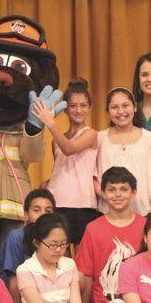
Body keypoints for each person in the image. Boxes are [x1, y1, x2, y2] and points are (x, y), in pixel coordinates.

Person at [32, 78, 99, 244]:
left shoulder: (90, 134)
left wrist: (50, 123)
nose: (78, 110)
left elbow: (69, 149)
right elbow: (63, 169)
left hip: (81, 204)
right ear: (66, 109)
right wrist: (47, 183)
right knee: (54, 249)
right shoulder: (57, 140)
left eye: (83, 105)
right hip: (56, 201)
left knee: (78, 254)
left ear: (89, 108)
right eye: (73, 105)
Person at [76, 167, 146, 303]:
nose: (118, 194)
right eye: (112, 190)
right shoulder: (93, 229)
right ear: (103, 193)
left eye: (124, 189)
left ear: (133, 193)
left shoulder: (146, 226)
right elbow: (86, 277)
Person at [94, 87, 151, 217]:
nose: (121, 111)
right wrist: (110, 198)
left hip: (144, 215)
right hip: (107, 214)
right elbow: (93, 178)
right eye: (114, 107)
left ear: (134, 107)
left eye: (125, 105)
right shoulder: (98, 139)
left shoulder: (150, 140)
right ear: (108, 111)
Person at [0, 188, 55, 303]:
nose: (42, 215)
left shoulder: (56, 234)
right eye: (37, 210)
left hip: (43, 286)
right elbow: (12, 281)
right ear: (26, 214)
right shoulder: (16, 237)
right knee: (16, 284)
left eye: (48, 211)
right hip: (16, 289)